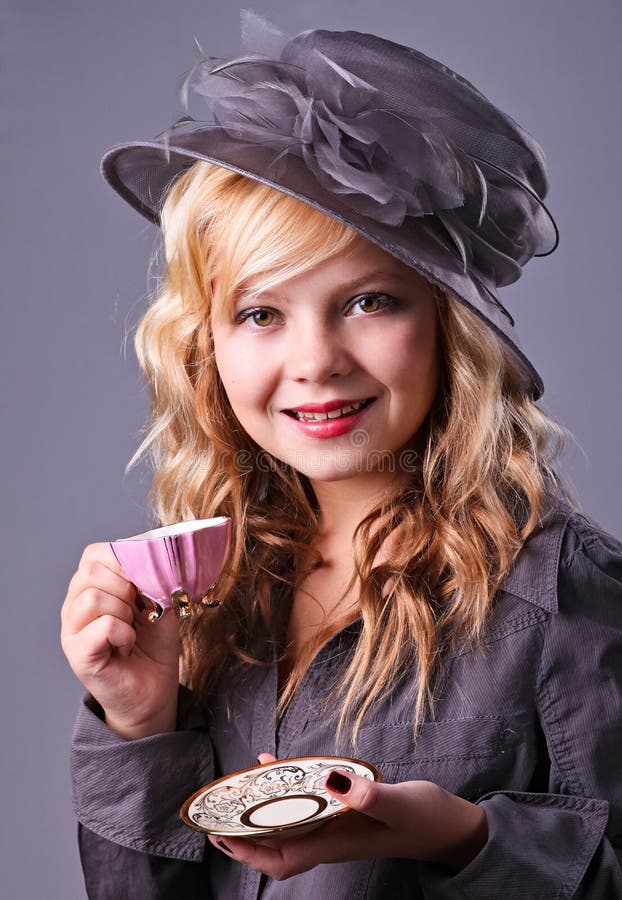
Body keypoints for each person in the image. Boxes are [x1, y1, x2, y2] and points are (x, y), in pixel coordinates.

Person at [61, 14, 622, 899]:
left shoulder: (561, 591)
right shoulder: (216, 597)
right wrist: (142, 720)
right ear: (206, 345)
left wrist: (460, 839)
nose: (316, 360)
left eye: (367, 300)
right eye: (260, 313)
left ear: (447, 325)